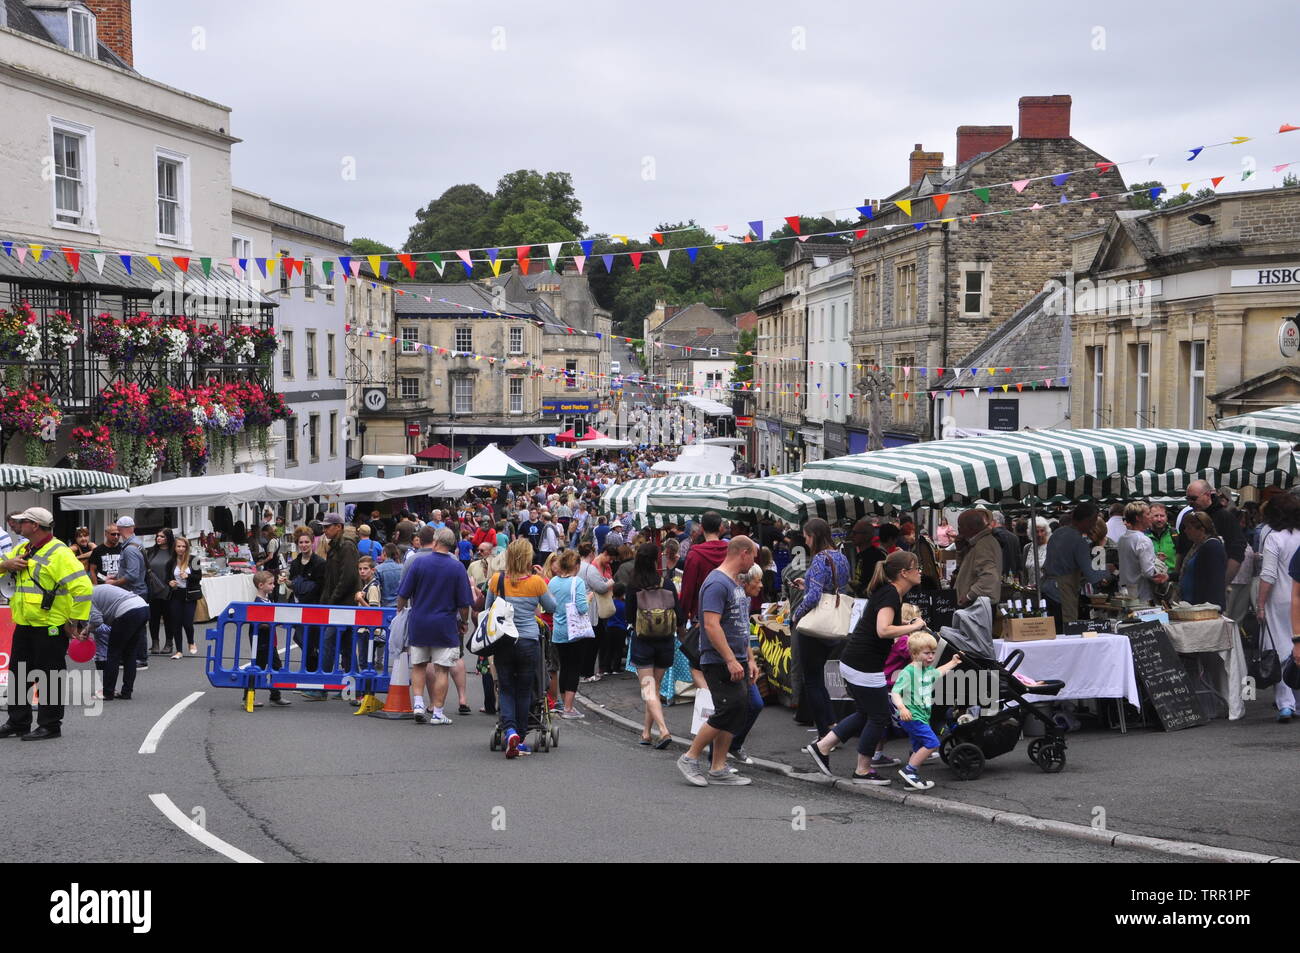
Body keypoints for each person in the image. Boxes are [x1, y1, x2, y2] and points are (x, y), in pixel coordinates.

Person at [803, 550, 927, 784]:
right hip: (864, 664)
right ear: (904, 573)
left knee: (865, 713)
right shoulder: (891, 593)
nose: (920, 572)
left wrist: (906, 624)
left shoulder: (890, 592)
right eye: (916, 567)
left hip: (857, 661)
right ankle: (862, 770)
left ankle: (822, 746)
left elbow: (882, 624)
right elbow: (883, 630)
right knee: (879, 716)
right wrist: (914, 628)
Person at [0, 508, 94, 740]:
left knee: (49, 676)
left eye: (23, 522)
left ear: (35, 526)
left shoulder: (60, 553)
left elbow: (83, 588)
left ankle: (50, 725)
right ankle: (18, 722)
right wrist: (6, 565)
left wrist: (75, 621)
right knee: (18, 675)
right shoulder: (22, 549)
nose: (17, 524)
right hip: (24, 624)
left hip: (50, 626)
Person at [675, 536, 759, 787]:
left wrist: (749, 658)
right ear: (743, 553)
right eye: (753, 555)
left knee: (736, 710)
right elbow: (711, 625)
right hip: (719, 660)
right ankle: (690, 757)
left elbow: (739, 624)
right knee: (727, 709)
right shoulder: (716, 583)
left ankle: (718, 766)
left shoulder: (733, 582)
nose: (755, 561)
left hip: (737, 658)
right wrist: (731, 659)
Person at [486, 539, 557, 758]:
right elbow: (552, 607)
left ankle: (509, 731)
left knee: (505, 687)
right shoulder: (536, 582)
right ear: (528, 557)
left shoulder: (496, 580)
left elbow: (488, 608)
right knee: (525, 689)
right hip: (528, 640)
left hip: (504, 641)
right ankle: (522, 735)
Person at [398, 527, 473, 726]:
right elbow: (464, 603)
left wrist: (400, 612)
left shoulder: (418, 562)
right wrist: (464, 622)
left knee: (419, 665)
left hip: (419, 621)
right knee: (442, 669)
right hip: (445, 624)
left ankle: (418, 703)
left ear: (436, 541)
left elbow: (403, 593)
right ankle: (438, 712)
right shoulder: (457, 567)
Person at [790, 517, 852, 742]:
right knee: (819, 678)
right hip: (833, 621)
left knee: (813, 680)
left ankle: (825, 733)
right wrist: (806, 584)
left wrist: (796, 615)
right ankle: (832, 726)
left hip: (814, 626)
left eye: (806, 536)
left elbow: (815, 597)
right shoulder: (841, 557)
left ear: (813, 535)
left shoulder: (818, 559)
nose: (805, 541)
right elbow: (835, 587)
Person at [626, 543, 682, 748]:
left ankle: (663, 729)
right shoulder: (666, 584)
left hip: (643, 642)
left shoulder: (634, 585)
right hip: (666, 641)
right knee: (654, 689)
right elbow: (680, 614)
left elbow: (629, 616)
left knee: (648, 691)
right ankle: (646, 733)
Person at [891, 631, 963, 790]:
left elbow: (939, 672)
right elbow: (895, 692)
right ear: (915, 653)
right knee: (932, 742)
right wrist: (902, 708)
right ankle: (909, 771)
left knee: (918, 747)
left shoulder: (926, 670)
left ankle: (910, 781)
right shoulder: (908, 672)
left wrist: (953, 662)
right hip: (911, 716)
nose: (931, 657)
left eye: (933, 653)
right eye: (927, 653)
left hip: (921, 716)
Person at [1256, 492, 1300, 722]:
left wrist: (1260, 604)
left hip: (1279, 599)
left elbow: (1268, 574)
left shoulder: (1274, 538)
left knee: (1281, 650)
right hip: (1298, 596)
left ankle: (1285, 703)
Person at [312, 512, 361, 699]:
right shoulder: (337, 546)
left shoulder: (346, 546)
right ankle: (352, 688)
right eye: (324, 527)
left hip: (342, 604)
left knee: (329, 642)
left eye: (327, 526)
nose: (324, 530)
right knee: (347, 645)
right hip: (341, 602)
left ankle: (321, 687)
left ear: (338, 527)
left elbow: (347, 577)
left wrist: (332, 599)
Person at [1040, 503, 1112, 625]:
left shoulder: (1057, 533)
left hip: (1047, 589)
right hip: (1062, 593)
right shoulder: (1079, 541)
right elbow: (1092, 576)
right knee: (1067, 631)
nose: (1094, 525)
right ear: (1086, 520)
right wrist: (1107, 571)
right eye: (1093, 521)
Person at [547, 548, 591, 720]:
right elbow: (582, 608)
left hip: (558, 630)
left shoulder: (553, 582)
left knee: (564, 667)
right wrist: (588, 599)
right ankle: (568, 707)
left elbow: (550, 607)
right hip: (575, 632)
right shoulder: (577, 582)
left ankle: (565, 702)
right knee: (574, 668)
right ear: (576, 565)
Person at [90, 583, 150, 701]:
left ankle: (108, 692)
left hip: (127, 612)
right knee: (130, 653)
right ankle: (127, 692)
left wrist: (86, 629)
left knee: (113, 653)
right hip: (143, 607)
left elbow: (97, 621)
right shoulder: (98, 588)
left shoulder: (86, 596)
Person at [1179, 480, 1246, 585]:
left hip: (1212, 584)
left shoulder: (1225, 518)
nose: (1190, 502)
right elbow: (1181, 550)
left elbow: (1237, 551)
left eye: (1193, 498)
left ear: (1207, 495)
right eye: (1188, 499)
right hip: (1189, 584)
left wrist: (1222, 583)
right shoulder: (1189, 518)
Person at [248, 570, 291, 707]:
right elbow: (260, 624)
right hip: (261, 642)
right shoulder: (257, 602)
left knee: (275, 667)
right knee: (258, 668)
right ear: (261, 585)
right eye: (271, 584)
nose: (273, 586)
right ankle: (248, 696)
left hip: (270, 641)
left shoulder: (268, 599)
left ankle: (275, 695)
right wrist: (275, 622)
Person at [1117, 502, 1169, 604]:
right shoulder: (1143, 540)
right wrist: (1160, 566)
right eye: (1148, 514)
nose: (1151, 517)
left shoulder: (1122, 539)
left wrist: (1154, 559)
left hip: (1126, 591)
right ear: (1138, 518)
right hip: (1143, 595)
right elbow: (1149, 572)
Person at [577, 541, 614, 682]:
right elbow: (600, 587)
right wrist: (609, 582)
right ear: (591, 553)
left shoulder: (576, 566)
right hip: (591, 608)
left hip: (578, 606)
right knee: (592, 642)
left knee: (582, 643)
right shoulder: (590, 568)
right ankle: (587, 673)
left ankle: (581, 672)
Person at [164, 535, 203, 658]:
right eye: (178, 546)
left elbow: (199, 577)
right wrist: (170, 582)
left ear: (187, 548)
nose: (181, 549)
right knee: (176, 623)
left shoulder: (195, 560)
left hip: (190, 595)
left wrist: (188, 576)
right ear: (174, 548)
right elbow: (166, 578)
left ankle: (191, 642)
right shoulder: (170, 562)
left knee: (187, 622)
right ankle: (179, 651)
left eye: (183, 546)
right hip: (176, 594)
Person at [1179, 512, 1227, 610]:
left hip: (1203, 607)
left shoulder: (1212, 547)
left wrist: (1211, 608)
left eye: (1189, 528)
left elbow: (1215, 580)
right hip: (1191, 604)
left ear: (1201, 530)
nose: (1185, 531)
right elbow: (1191, 572)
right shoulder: (1197, 547)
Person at [954, 509, 1002, 607]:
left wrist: (968, 596)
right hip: (978, 605)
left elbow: (989, 578)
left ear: (970, 528)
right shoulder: (978, 543)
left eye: (960, 526)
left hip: (978, 607)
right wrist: (960, 550)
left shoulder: (983, 545)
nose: (958, 530)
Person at [145, 528, 175, 656]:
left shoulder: (174, 552)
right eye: (157, 536)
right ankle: (155, 643)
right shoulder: (151, 551)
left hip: (169, 589)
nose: (158, 538)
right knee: (153, 618)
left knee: (169, 618)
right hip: (154, 589)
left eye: (162, 536)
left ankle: (169, 643)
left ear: (168, 538)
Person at [845, 517, 886, 598]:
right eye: (852, 532)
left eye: (855, 533)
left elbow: (879, 582)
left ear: (867, 536)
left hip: (873, 601)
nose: (851, 536)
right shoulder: (859, 555)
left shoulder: (876, 556)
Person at [989, 512, 1020, 582]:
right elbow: (1018, 560)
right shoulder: (1014, 538)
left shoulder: (992, 537)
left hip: (996, 578)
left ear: (993, 522)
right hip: (1012, 578)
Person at [1146, 504, 1177, 573]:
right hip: (1151, 578)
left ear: (1167, 517)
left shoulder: (1175, 534)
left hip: (1171, 578)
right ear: (1149, 517)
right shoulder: (1144, 535)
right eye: (1156, 516)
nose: (1159, 519)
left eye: (1162, 516)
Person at [1022, 518, 1052, 588]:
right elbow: (1024, 571)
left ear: (1046, 531)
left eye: (1042, 531)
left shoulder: (1051, 547)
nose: (1039, 534)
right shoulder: (1027, 548)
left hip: (1047, 591)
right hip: (1030, 590)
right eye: (1036, 531)